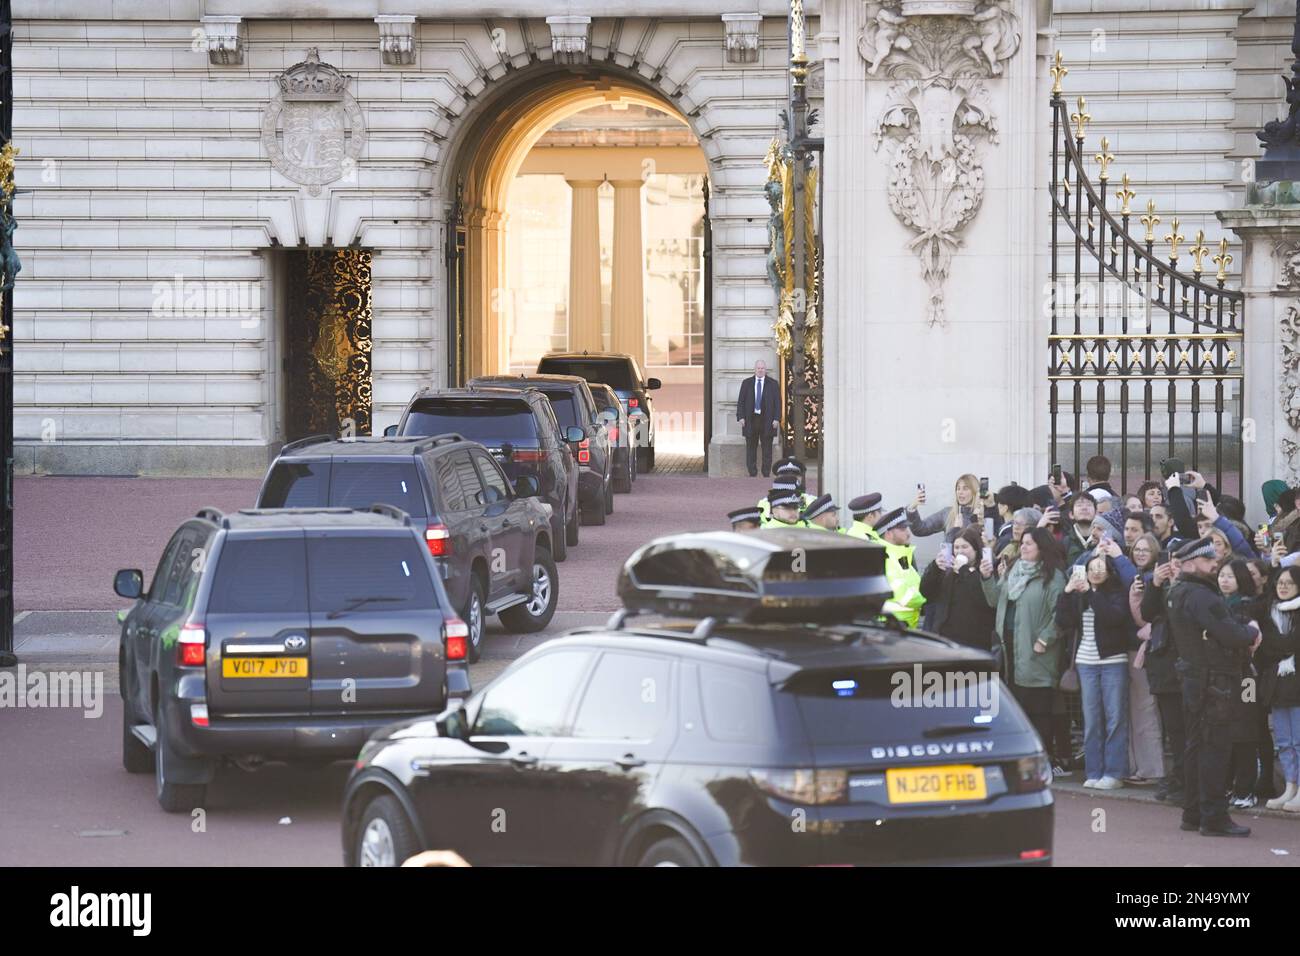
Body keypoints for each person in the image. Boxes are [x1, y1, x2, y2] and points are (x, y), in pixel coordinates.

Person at [1166, 536, 1262, 837]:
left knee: (1196, 746)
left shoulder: (1177, 591)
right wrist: (1251, 631)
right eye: (1209, 561)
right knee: (1214, 750)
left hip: (1194, 679)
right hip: (1213, 681)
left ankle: (1193, 813)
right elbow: (1229, 634)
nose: (1215, 564)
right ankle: (1214, 817)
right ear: (1193, 563)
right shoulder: (1201, 596)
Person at [980, 527, 1067, 766]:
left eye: (1029, 543)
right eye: (1023, 543)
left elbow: (1060, 615)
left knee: (1039, 709)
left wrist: (1045, 639)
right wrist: (988, 578)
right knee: (1017, 707)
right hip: (1010, 646)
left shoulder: (1053, 577)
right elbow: (995, 599)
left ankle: (1043, 760)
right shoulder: (1014, 570)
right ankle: (1021, 761)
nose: (1024, 547)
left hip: (1035, 648)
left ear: (1042, 547)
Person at [1057, 553, 1134, 788]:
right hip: (1085, 661)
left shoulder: (1117, 592)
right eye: (1092, 568)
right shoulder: (1079, 594)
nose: (1096, 572)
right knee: (1091, 720)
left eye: (1101, 568)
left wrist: (1090, 594)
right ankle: (1094, 771)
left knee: (1115, 718)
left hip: (1113, 661)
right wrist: (1067, 592)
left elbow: (1113, 618)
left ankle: (1114, 773)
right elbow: (1063, 621)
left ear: (1109, 571)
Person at [1217, 559, 1270, 809]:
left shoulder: (1250, 607)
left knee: (1246, 729)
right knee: (1226, 731)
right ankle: (1228, 785)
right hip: (1224, 676)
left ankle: (1245, 789)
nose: (1224, 580)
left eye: (1230, 576)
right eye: (1222, 575)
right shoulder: (1215, 604)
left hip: (1248, 676)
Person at [1140, 549, 1186, 804]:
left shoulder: (1192, 588)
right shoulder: (1159, 587)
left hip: (1186, 667)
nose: (1172, 568)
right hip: (1163, 668)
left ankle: (1186, 780)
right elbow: (1147, 613)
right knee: (1173, 729)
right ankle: (1178, 777)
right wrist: (1155, 583)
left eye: (1178, 563)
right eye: (1169, 564)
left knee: (1186, 730)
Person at [1259, 566, 1300, 811]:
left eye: (1289, 583)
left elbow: (1291, 644)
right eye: (1279, 582)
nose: (1283, 586)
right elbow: (1268, 647)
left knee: (1299, 740)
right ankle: (1290, 786)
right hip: (1277, 685)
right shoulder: (1268, 613)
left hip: (1297, 684)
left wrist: (1281, 645)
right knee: (1284, 740)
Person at [1126, 533, 1166, 783]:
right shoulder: (1137, 577)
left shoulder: (1153, 579)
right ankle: (1142, 767)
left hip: (1148, 650)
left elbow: (1145, 618)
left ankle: (1152, 769)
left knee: (1146, 710)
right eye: (1137, 549)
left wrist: (1134, 597)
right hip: (1135, 649)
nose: (1140, 553)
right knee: (1140, 710)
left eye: (1145, 549)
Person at [919, 526, 996, 651]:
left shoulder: (984, 570)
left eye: (965, 547)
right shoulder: (948, 572)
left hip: (973, 642)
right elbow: (926, 592)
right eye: (956, 547)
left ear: (976, 549)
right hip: (945, 639)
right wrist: (935, 568)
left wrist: (964, 570)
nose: (960, 551)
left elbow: (985, 599)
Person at [874, 508, 925, 627]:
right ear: (888, 534)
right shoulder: (887, 558)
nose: (908, 533)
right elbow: (906, 596)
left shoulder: (900, 555)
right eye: (902, 529)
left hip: (902, 624)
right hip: (893, 627)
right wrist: (929, 600)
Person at [905, 474, 988, 543]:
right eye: (958, 488)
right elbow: (920, 529)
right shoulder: (948, 513)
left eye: (965, 488)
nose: (960, 492)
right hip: (949, 562)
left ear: (975, 491)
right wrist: (912, 508)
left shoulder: (984, 515)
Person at [736, 359, 780, 477]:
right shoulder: (746, 383)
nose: (760, 370)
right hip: (751, 420)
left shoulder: (773, 384)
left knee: (767, 449)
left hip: (768, 420)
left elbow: (778, 403)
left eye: (762, 368)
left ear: (765, 370)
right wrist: (740, 417)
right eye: (758, 368)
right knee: (751, 448)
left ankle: (766, 473)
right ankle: (752, 473)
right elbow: (741, 402)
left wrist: (777, 418)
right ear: (755, 369)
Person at [1063, 492, 1097, 565]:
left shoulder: (1103, 541)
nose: (1084, 508)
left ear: (1096, 513)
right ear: (1071, 514)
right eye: (1079, 505)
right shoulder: (1064, 543)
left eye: (1089, 505)